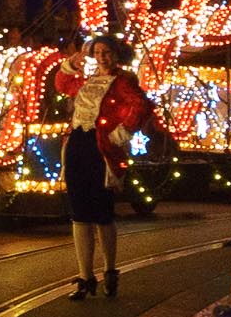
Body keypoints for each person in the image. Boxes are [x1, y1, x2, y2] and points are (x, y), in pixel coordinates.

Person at [53, 33, 157, 300]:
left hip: (100, 149)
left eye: (106, 52)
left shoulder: (122, 82)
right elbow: (62, 84)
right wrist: (70, 64)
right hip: (77, 144)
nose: (101, 57)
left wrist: (120, 133)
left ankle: (110, 270)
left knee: (101, 213)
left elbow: (142, 106)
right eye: (98, 53)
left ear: (116, 54)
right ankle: (85, 277)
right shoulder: (87, 81)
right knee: (79, 213)